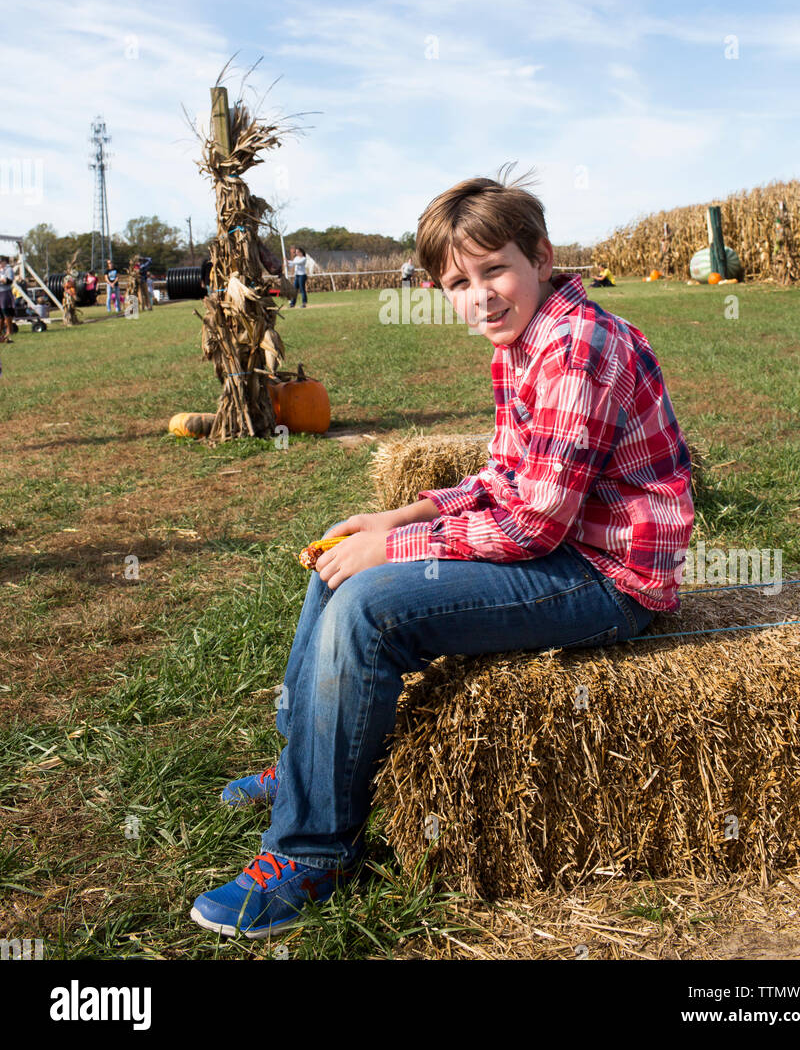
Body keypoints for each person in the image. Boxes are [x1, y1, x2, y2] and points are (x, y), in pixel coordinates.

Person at [189, 170, 694, 938]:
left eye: (495, 270)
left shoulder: (579, 346)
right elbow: (503, 475)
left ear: (541, 256)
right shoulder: (521, 342)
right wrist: (402, 513)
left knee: (367, 603)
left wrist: (395, 548)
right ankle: (305, 765)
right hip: (562, 547)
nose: (481, 295)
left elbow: (533, 527)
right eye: (459, 282)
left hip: (611, 577)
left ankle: (313, 850)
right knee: (344, 555)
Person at [0, 256, 15, 343]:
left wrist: (2, 280)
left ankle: (10, 330)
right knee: (0, 314)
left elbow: (9, 281)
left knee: (6, 311)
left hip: (5, 292)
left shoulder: (8, 269)